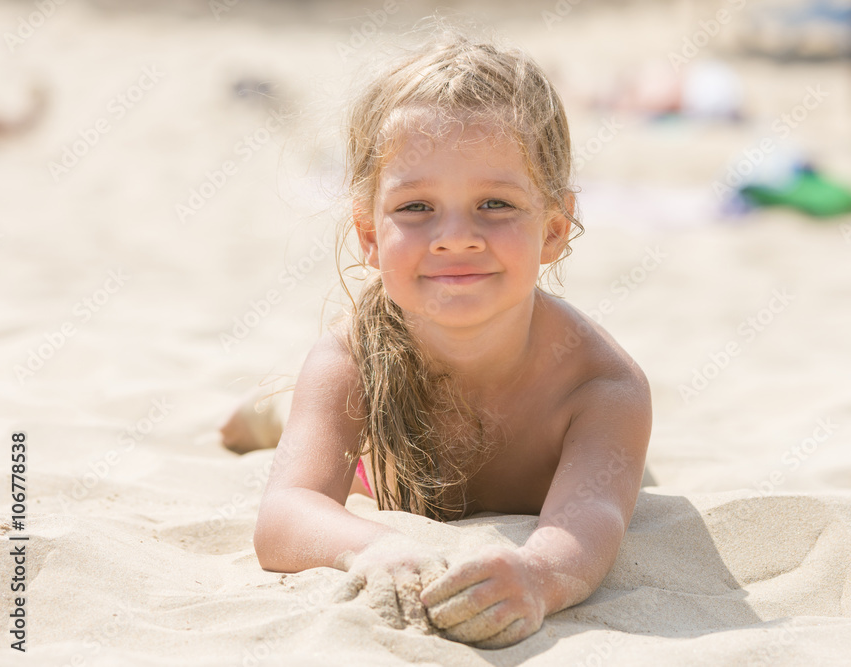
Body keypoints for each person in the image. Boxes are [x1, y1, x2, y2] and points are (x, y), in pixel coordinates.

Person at [222, 31, 653, 649]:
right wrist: (375, 548)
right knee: (313, 430)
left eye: (495, 203)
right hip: (375, 464)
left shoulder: (600, 387)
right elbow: (285, 516)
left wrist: (535, 575)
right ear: (370, 236)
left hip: (440, 466)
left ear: (555, 229)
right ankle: (271, 413)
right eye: (418, 207)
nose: (455, 237)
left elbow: (590, 522)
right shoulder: (351, 359)